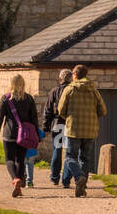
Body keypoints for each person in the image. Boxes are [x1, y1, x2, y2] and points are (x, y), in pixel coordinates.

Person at [58, 63, 107, 197]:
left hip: (73, 129)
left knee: (70, 156)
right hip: (90, 130)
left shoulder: (70, 89)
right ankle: (82, 186)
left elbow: (61, 109)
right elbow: (103, 110)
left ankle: (79, 177)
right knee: (85, 158)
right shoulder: (94, 90)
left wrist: (69, 117)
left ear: (74, 75)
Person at [0, 73, 41, 199]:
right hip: (24, 135)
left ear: (11, 84)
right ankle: (19, 186)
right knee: (21, 160)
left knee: (9, 159)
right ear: (23, 84)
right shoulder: (29, 99)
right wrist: (37, 134)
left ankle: (15, 179)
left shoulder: (6, 99)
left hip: (9, 134)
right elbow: (34, 118)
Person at [42, 67, 72, 186]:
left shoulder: (55, 91)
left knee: (57, 150)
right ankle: (66, 179)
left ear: (60, 79)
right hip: (70, 125)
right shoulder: (72, 90)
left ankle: (54, 177)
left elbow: (48, 109)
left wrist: (46, 127)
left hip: (57, 124)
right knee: (69, 152)